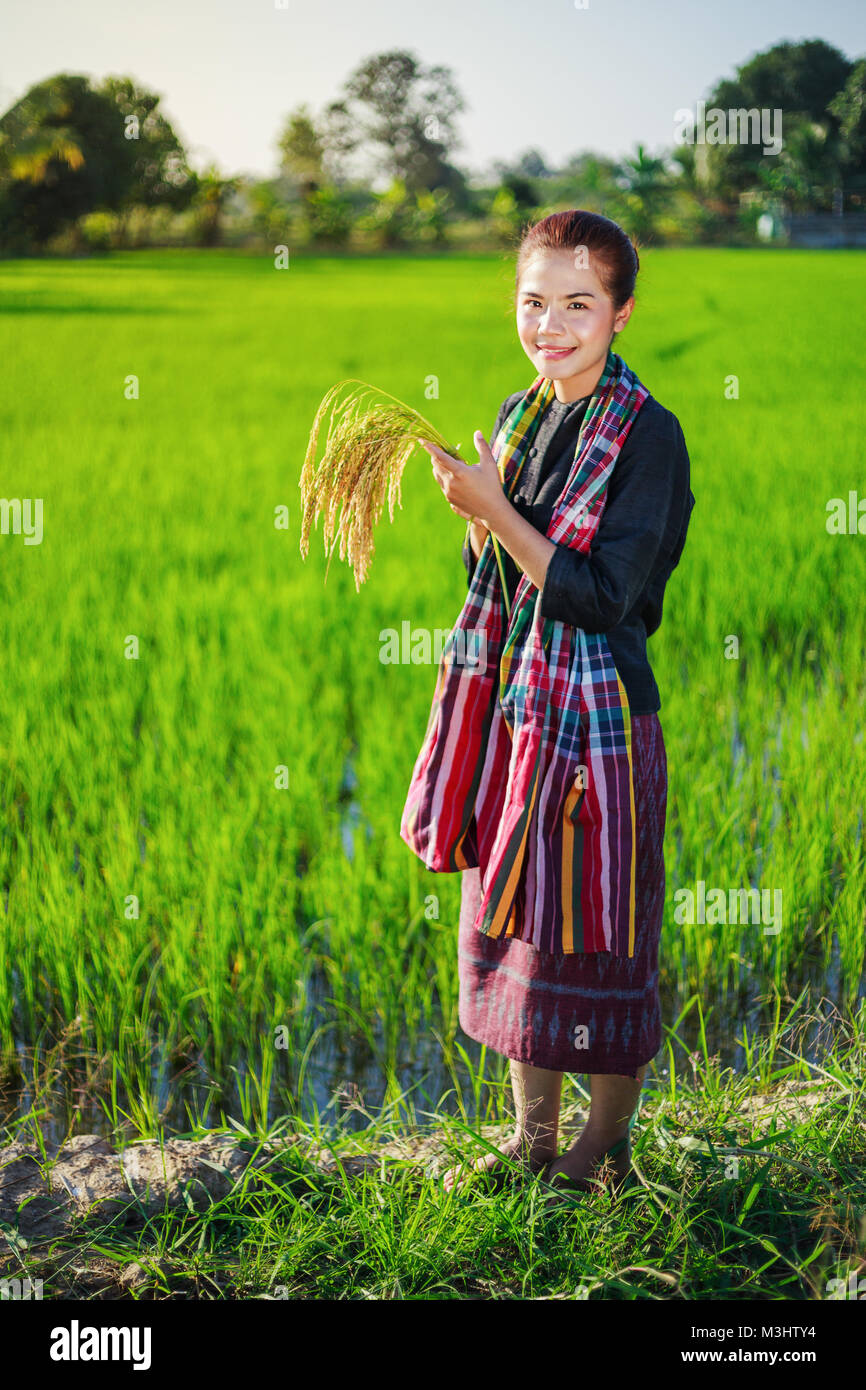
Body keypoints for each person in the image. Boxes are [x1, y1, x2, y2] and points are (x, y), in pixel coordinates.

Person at [413, 210, 695, 1203]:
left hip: (602, 730)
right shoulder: (522, 413)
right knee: (515, 930)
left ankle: (606, 1146)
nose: (551, 324)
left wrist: (496, 511)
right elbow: (498, 571)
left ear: (619, 311)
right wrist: (478, 508)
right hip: (518, 721)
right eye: (533, 302)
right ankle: (533, 1136)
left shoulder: (647, 437)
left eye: (577, 303)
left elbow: (596, 593)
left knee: (601, 933)